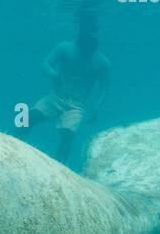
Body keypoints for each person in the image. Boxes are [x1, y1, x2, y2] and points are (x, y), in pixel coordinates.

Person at [27, 12, 111, 163]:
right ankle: (10, 145)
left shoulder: (102, 62)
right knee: (28, 117)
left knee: (67, 134)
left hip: (77, 105)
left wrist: (96, 107)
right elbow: (46, 64)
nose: (91, 39)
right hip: (57, 97)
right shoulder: (65, 48)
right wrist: (53, 75)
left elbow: (104, 87)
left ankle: (59, 167)